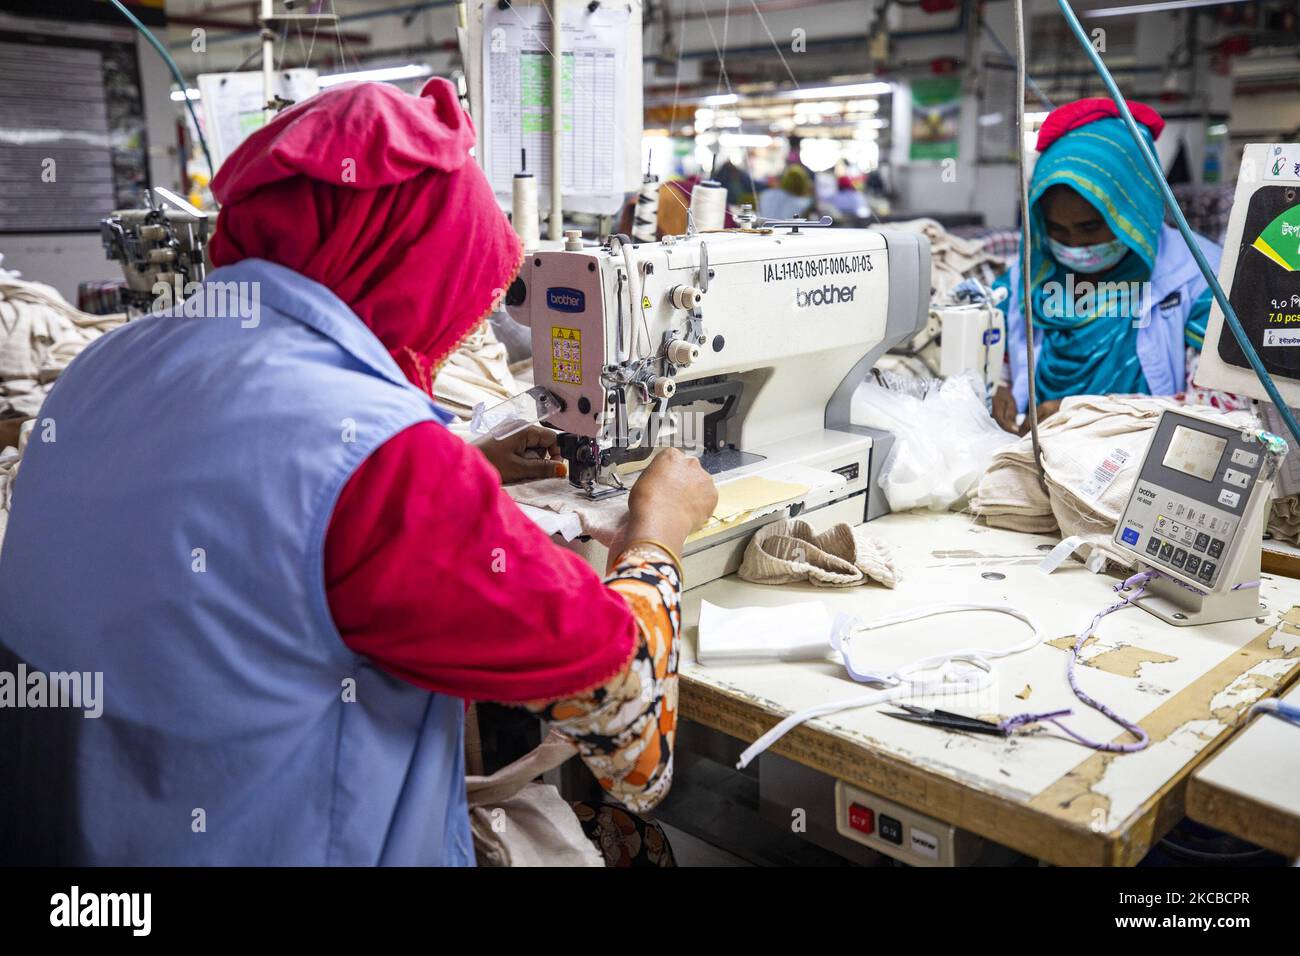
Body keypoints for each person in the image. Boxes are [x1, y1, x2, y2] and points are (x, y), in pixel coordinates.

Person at [0, 79, 718, 865]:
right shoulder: (380, 465)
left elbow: (240, 517)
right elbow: (633, 741)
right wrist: (660, 530)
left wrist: (451, 470)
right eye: (462, 288)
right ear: (415, 265)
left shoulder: (103, 368)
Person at [991, 98, 1222, 435]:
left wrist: (1089, 415)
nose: (1072, 246)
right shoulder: (1033, 275)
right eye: (1057, 230)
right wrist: (998, 385)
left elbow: (1221, 412)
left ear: (1134, 211)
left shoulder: (1201, 281)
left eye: (1090, 228)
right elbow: (998, 345)